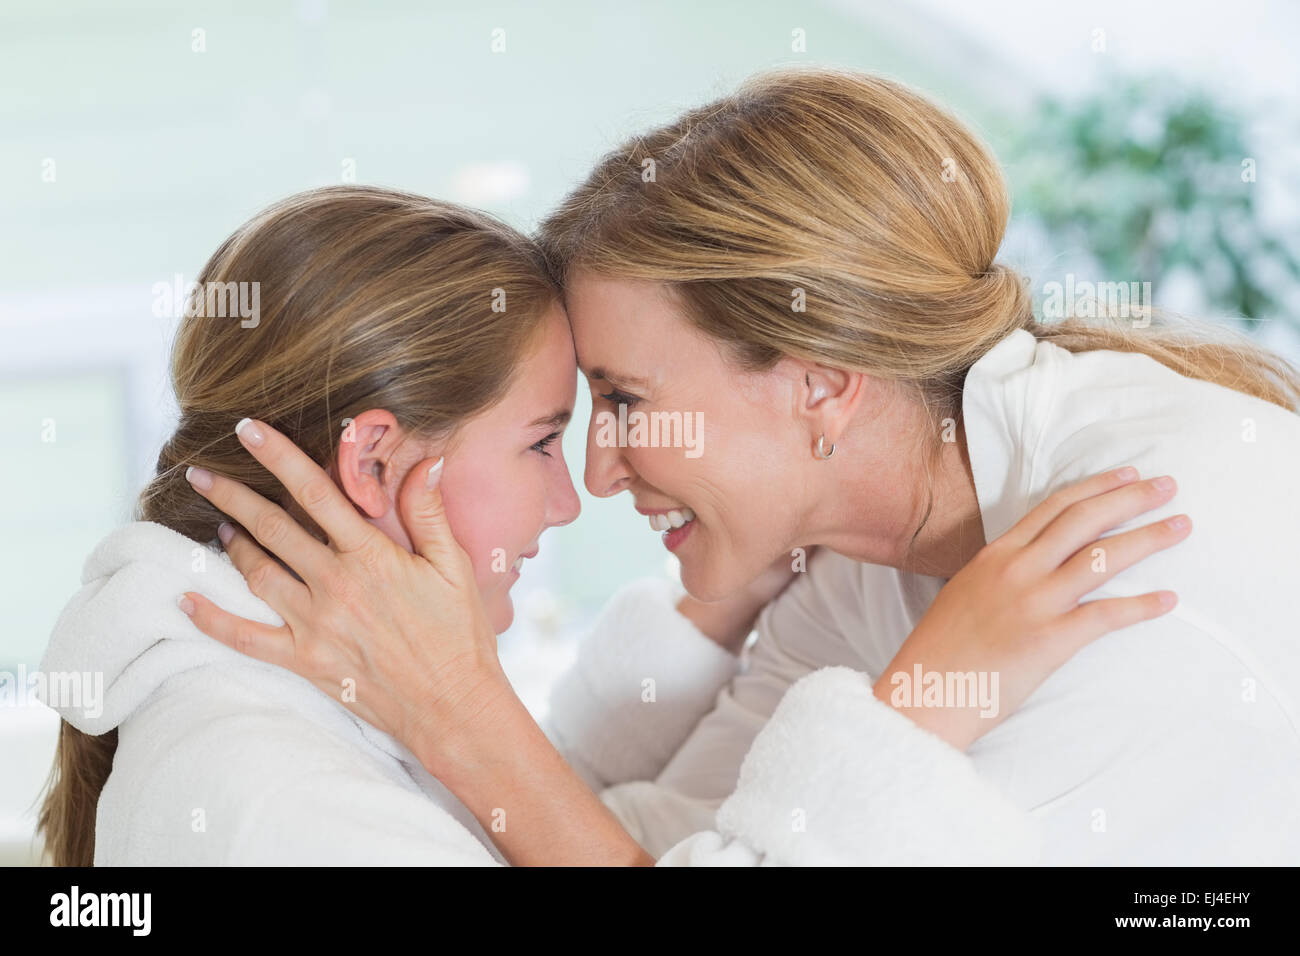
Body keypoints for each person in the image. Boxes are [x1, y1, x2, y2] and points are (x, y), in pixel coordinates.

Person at [175, 69, 1300, 864]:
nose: (598, 478)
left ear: (818, 381)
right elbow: (677, 833)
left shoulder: (1137, 575)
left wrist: (457, 706)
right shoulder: (866, 558)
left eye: (623, 400)